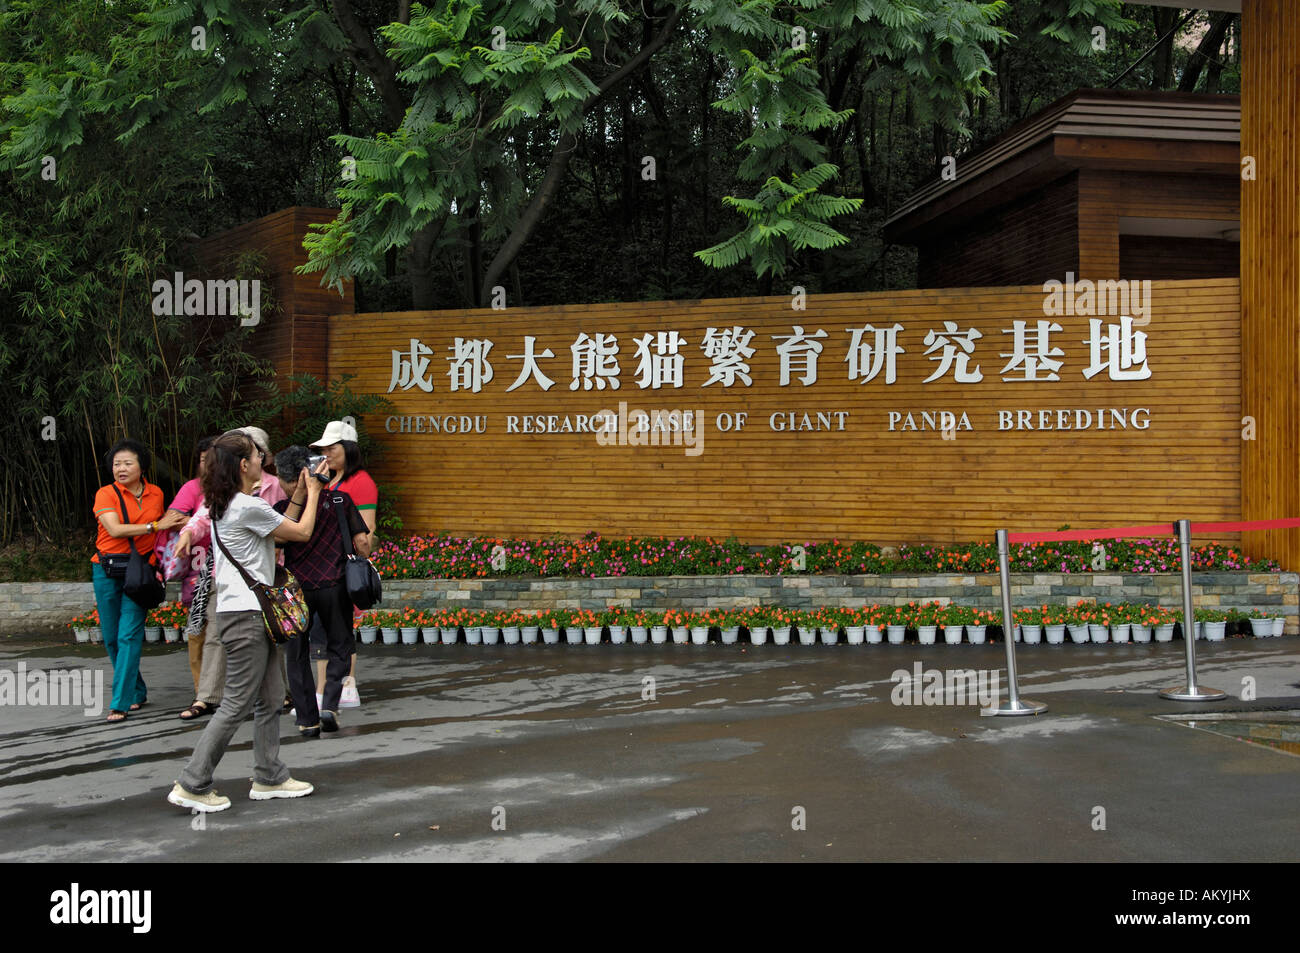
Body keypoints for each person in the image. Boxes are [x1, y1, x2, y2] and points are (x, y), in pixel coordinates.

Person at [167, 430, 320, 813]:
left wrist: (300, 494)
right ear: (242, 465)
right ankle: (192, 782)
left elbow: (278, 531)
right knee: (236, 703)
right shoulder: (245, 506)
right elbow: (299, 533)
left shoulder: (229, 504)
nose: (262, 460)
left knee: (270, 697)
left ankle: (270, 776)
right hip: (248, 615)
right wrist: (315, 492)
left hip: (247, 612)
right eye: (257, 455)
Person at [272, 446, 371, 736]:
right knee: (340, 647)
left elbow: (277, 544)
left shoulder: (282, 511)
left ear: (288, 480)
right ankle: (329, 704)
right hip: (335, 585)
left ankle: (306, 719)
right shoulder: (340, 499)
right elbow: (362, 542)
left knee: (297, 653)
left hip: (298, 591)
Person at [92, 439, 186, 723]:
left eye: (127, 463)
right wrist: (156, 525)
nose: (120, 468)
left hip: (141, 571)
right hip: (107, 569)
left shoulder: (156, 493)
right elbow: (114, 529)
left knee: (129, 635)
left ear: (142, 467)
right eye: (116, 464)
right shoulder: (105, 494)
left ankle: (120, 702)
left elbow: (164, 528)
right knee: (111, 638)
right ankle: (137, 690)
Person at [310, 421, 378, 708]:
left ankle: (345, 685)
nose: (326, 453)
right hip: (323, 566)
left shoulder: (360, 481)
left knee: (338, 628)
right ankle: (323, 689)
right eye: (323, 449)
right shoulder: (331, 480)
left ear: (349, 449)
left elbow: (367, 530)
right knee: (322, 629)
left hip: (341, 566)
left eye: (332, 447)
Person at [162, 436, 218, 718]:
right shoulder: (192, 488)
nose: (206, 465)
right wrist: (196, 521)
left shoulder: (232, 489)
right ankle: (203, 694)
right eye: (202, 460)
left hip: (228, 571)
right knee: (198, 632)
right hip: (198, 572)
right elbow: (171, 517)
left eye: (212, 460)